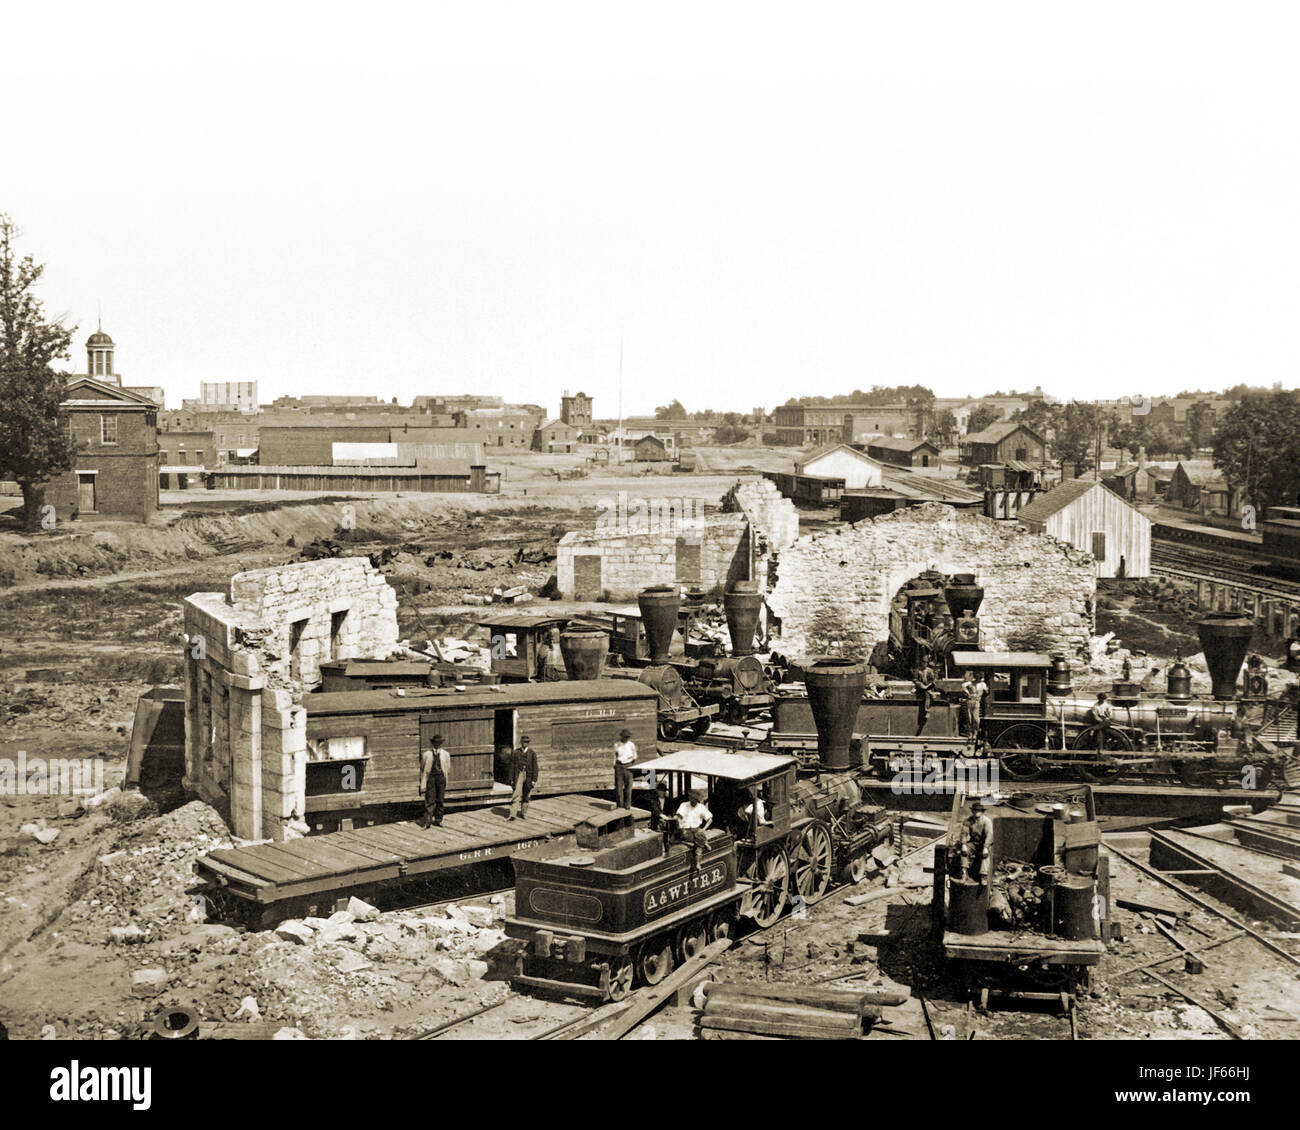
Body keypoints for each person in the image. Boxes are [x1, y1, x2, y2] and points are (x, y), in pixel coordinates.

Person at [950, 796, 994, 882]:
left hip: (984, 843)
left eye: (979, 811)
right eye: (975, 810)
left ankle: (983, 876)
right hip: (974, 843)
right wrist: (963, 845)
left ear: (982, 812)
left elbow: (989, 834)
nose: (976, 812)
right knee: (963, 852)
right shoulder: (968, 821)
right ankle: (964, 874)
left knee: (986, 855)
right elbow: (964, 834)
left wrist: (985, 847)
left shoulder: (986, 821)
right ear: (972, 811)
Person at [419, 734, 450, 828]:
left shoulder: (446, 754)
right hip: (431, 778)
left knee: (440, 799)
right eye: (435, 743)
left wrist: (443, 776)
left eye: (439, 743)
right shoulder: (426, 754)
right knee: (429, 800)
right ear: (433, 743)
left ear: (441, 744)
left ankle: (438, 820)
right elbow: (423, 767)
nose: (437, 745)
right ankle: (427, 821)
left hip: (441, 778)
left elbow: (448, 768)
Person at [673, 786, 713, 858]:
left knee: (698, 834)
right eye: (691, 798)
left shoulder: (701, 807)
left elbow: (710, 819)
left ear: (697, 800)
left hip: (696, 830)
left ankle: (697, 860)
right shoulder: (684, 805)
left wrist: (704, 829)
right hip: (685, 831)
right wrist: (681, 827)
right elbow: (678, 817)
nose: (692, 800)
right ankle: (704, 842)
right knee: (698, 837)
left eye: (694, 799)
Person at [506, 735, 539, 820]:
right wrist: (511, 779)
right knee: (516, 794)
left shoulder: (532, 753)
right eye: (523, 742)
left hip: (528, 776)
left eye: (527, 742)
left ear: (528, 743)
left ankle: (524, 813)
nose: (525, 744)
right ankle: (512, 815)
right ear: (521, 743)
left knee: (526, 795)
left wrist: (534, 780)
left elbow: (535, 768)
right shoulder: (515, 752)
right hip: (519, 775)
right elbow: (512, 766)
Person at [613, 728, 637, 810]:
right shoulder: (617, 745)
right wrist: (615, 765)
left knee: (628, 787)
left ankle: (627, 806)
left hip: (628, 765)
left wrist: (631, 765)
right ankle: (620, 805)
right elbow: (615, 756)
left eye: (628, 737)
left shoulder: (631, 745)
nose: (626, 738)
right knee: (619, 787)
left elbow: (635, 756)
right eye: (625, 737)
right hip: (619, 766)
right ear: (622, 737)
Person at [914, 661, 937, 735]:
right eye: (922, 662)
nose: (924, 664)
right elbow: (915, 680)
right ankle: (926, 710)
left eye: (925, 663)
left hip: (928, 687)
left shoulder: (930, 671)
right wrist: (920, 685)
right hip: (921, 687)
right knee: (924, 692)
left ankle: (927, 710)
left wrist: (927, 687)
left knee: (927, 693)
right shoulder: (918, 671)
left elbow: (932, 681)